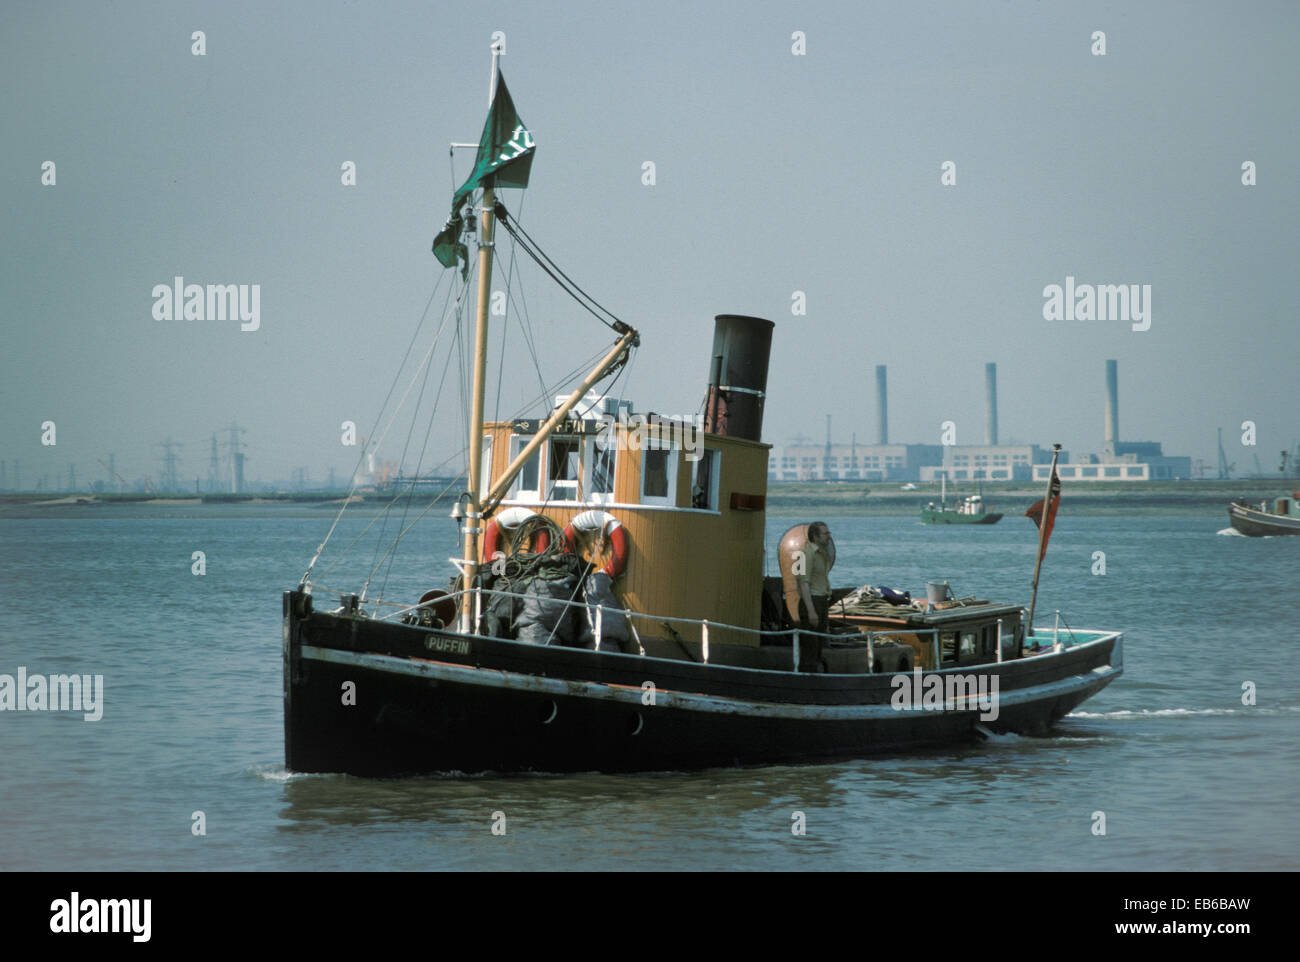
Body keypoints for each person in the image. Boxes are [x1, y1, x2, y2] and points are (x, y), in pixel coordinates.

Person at [795, 521, 832, 671]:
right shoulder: (806, 554)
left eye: (829, 533)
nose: (829, 537)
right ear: (815, 537)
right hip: (812, 600)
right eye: (825, 534)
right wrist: (811, 611)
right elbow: (804, 583)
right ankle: (806, 673)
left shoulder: (823, 554)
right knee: (810, 643)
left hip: (822, 600)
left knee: (819, 642)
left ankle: (816, 671)